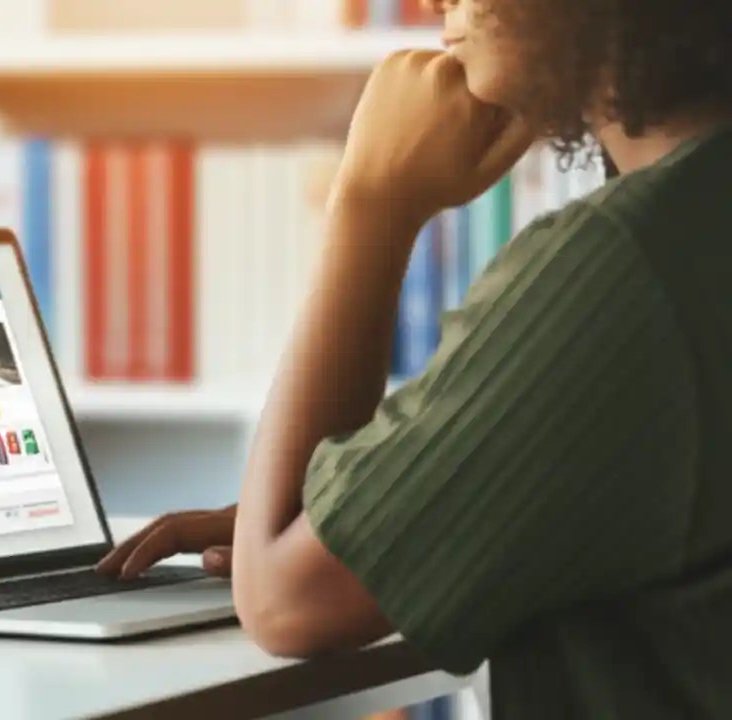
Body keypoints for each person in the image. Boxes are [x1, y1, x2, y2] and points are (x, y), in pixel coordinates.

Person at [96, 0, 732, 716]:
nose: (433, 4)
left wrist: (372, 202)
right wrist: (381, 510)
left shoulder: (625, 264)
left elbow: (286, 604)